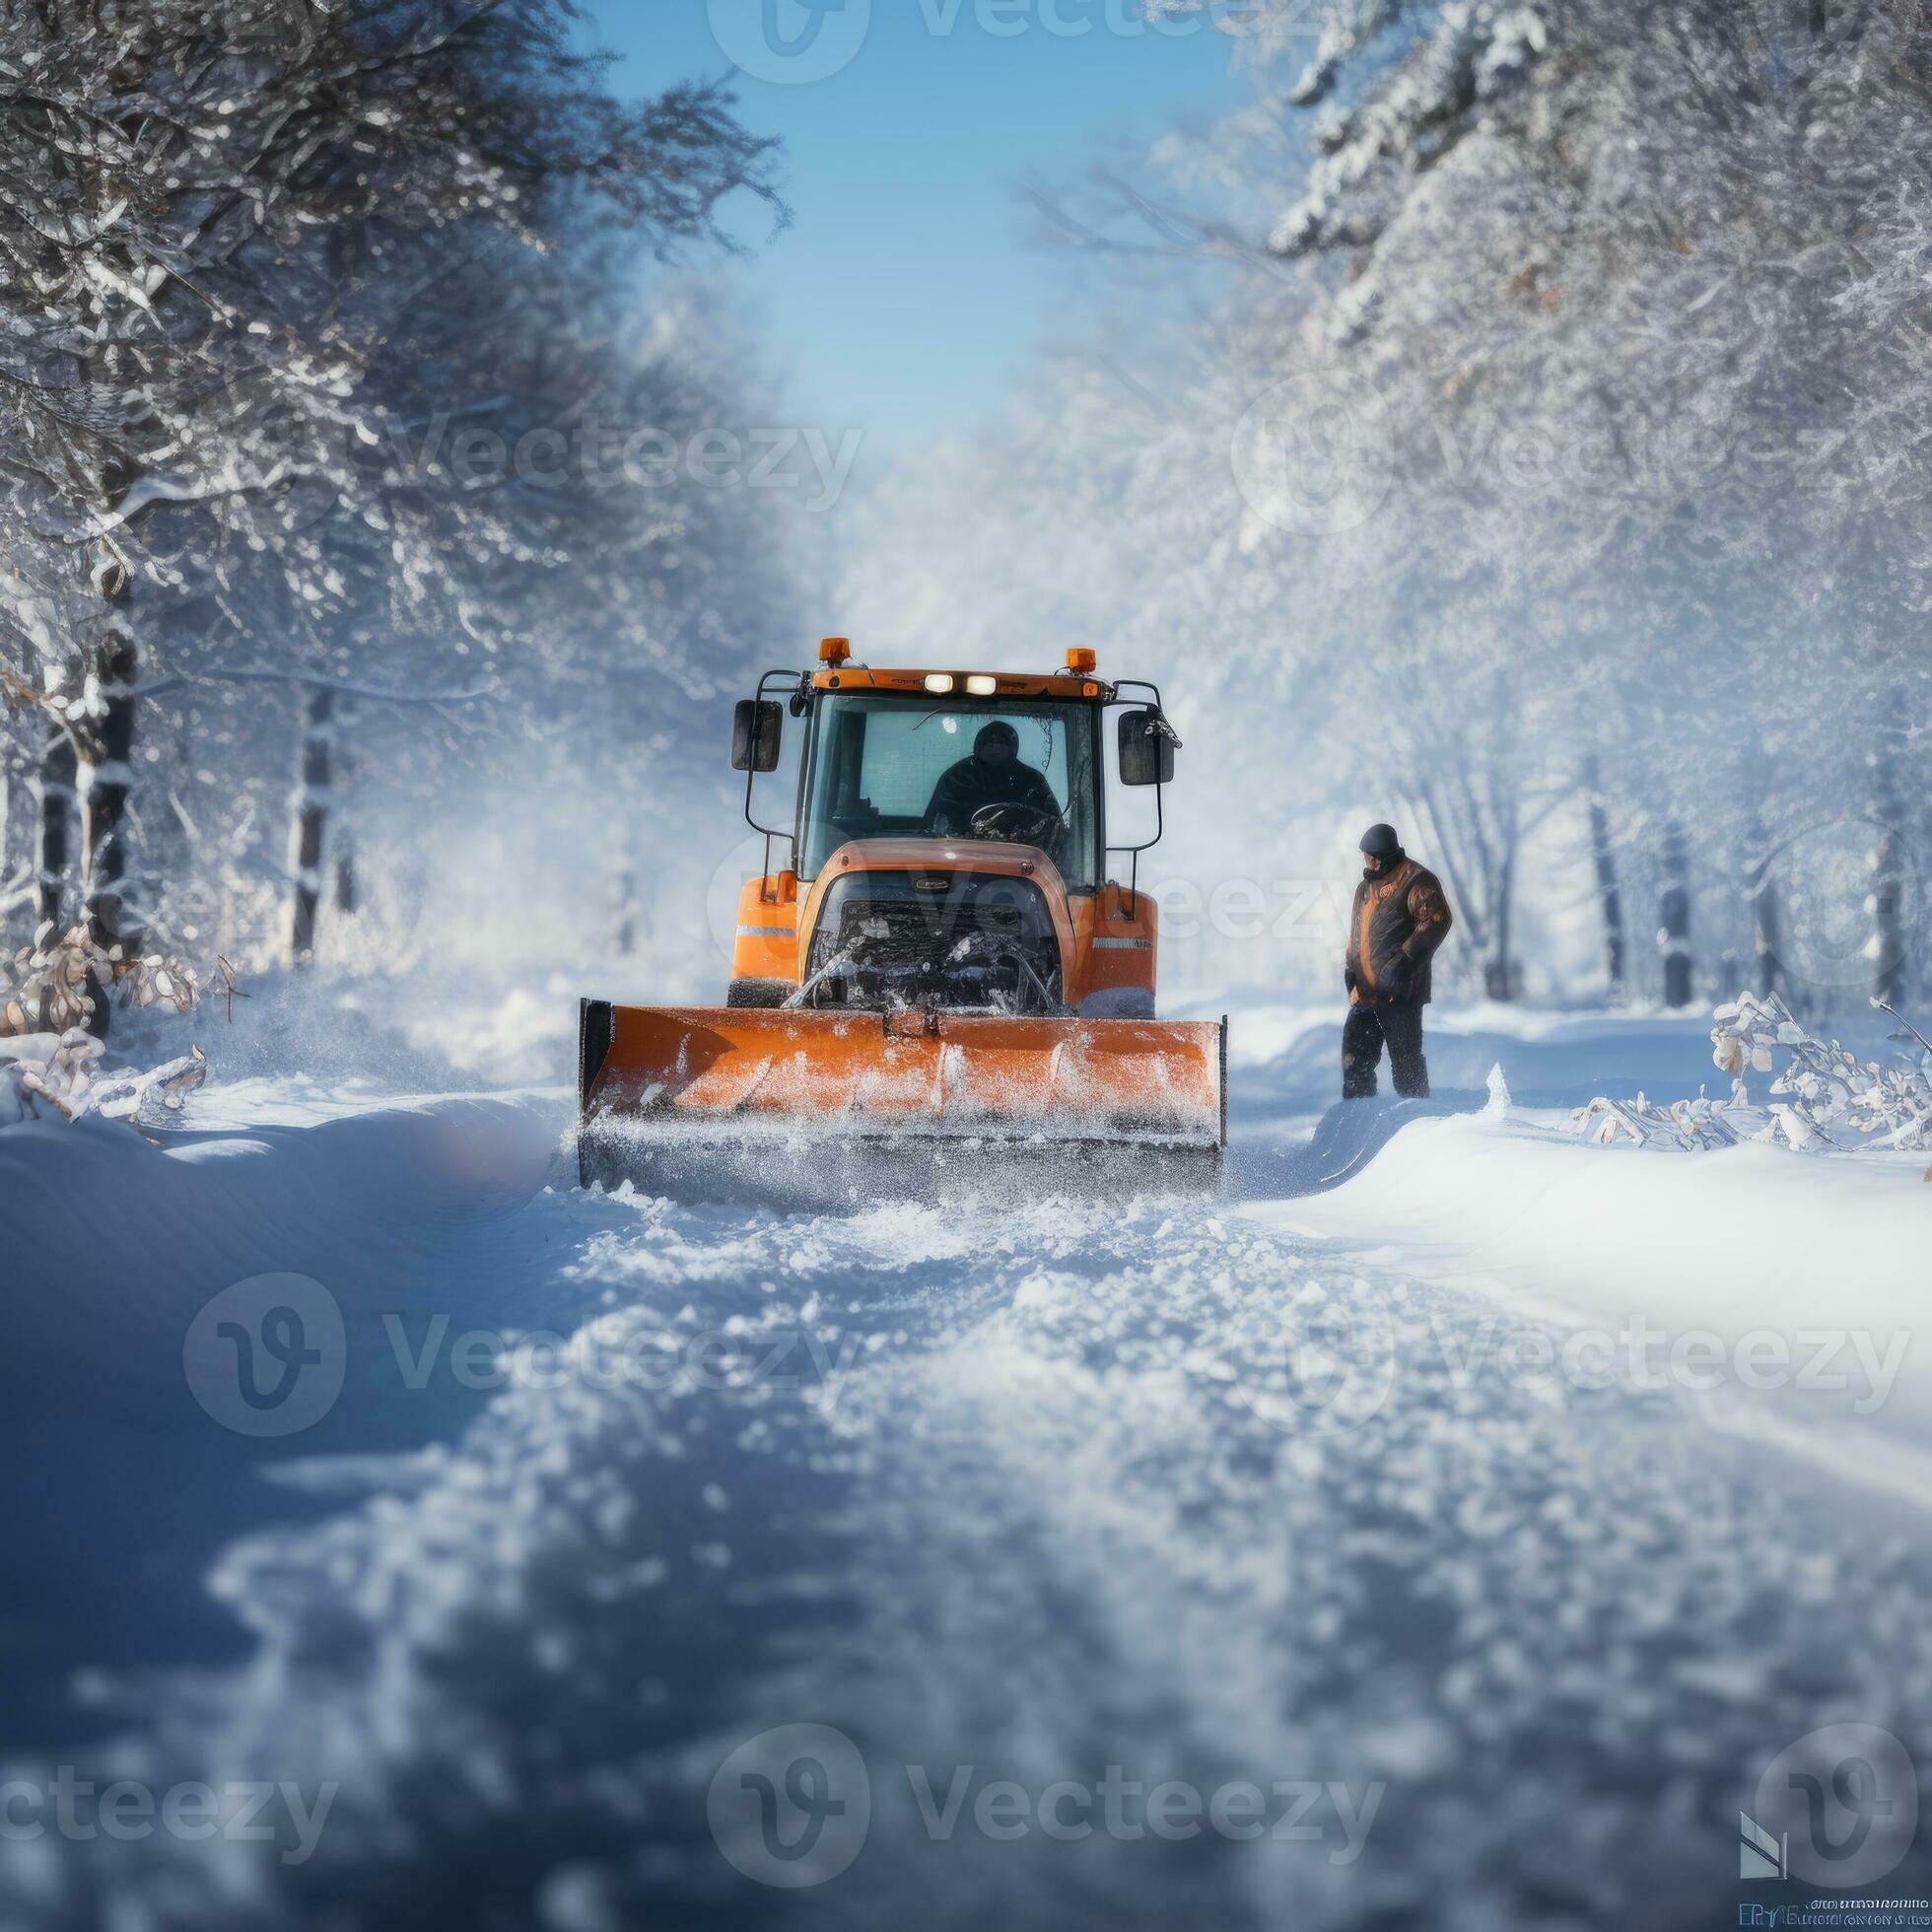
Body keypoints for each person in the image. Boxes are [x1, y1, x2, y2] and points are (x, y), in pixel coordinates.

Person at [1343, 822, 1454, 1100]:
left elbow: (1436, 920)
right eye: (1368, 855)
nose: (1372, 861)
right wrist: (1350, 967)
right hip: (1365, 994)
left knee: (1406, 1064)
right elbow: (1358, 933)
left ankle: (1418, 1123)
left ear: (1390, 853)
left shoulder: (1417, 881)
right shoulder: (1363, 890)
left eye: (1377, 855)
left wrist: (1404, 959)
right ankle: (1358, 1121)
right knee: (1354, 1061)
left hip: (1401, 993)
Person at [926, 720, 1063, 843]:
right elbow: (933, 824)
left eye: (1002, 742)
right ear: (979, 745)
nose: (995, 747)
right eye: (989, 742)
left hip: (1023, 854)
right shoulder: (958, 776)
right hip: (962, 850)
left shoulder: (1031, 780)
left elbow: (1055, 826)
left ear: (1013, 746)